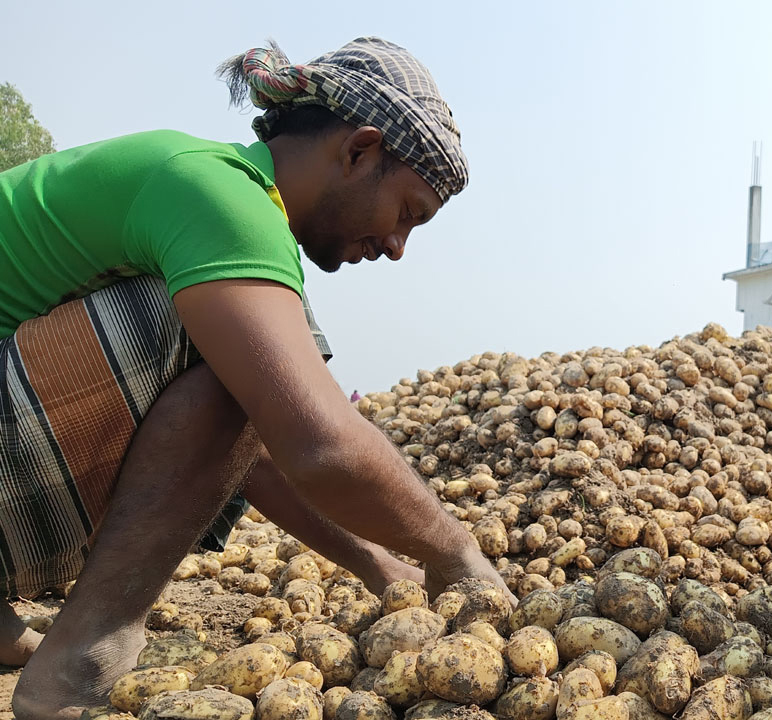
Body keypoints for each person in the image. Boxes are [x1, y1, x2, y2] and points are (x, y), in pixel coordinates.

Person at [1, 38, 512, 718]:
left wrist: (378, 565)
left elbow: (242, 453)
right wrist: (456, 551)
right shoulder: (222, 201)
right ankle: (80, 660)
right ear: (360, 150)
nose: (396, 247)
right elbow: (315, 443)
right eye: (407, 213)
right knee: (245, 360)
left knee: (250, 364)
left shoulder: (216, 197)